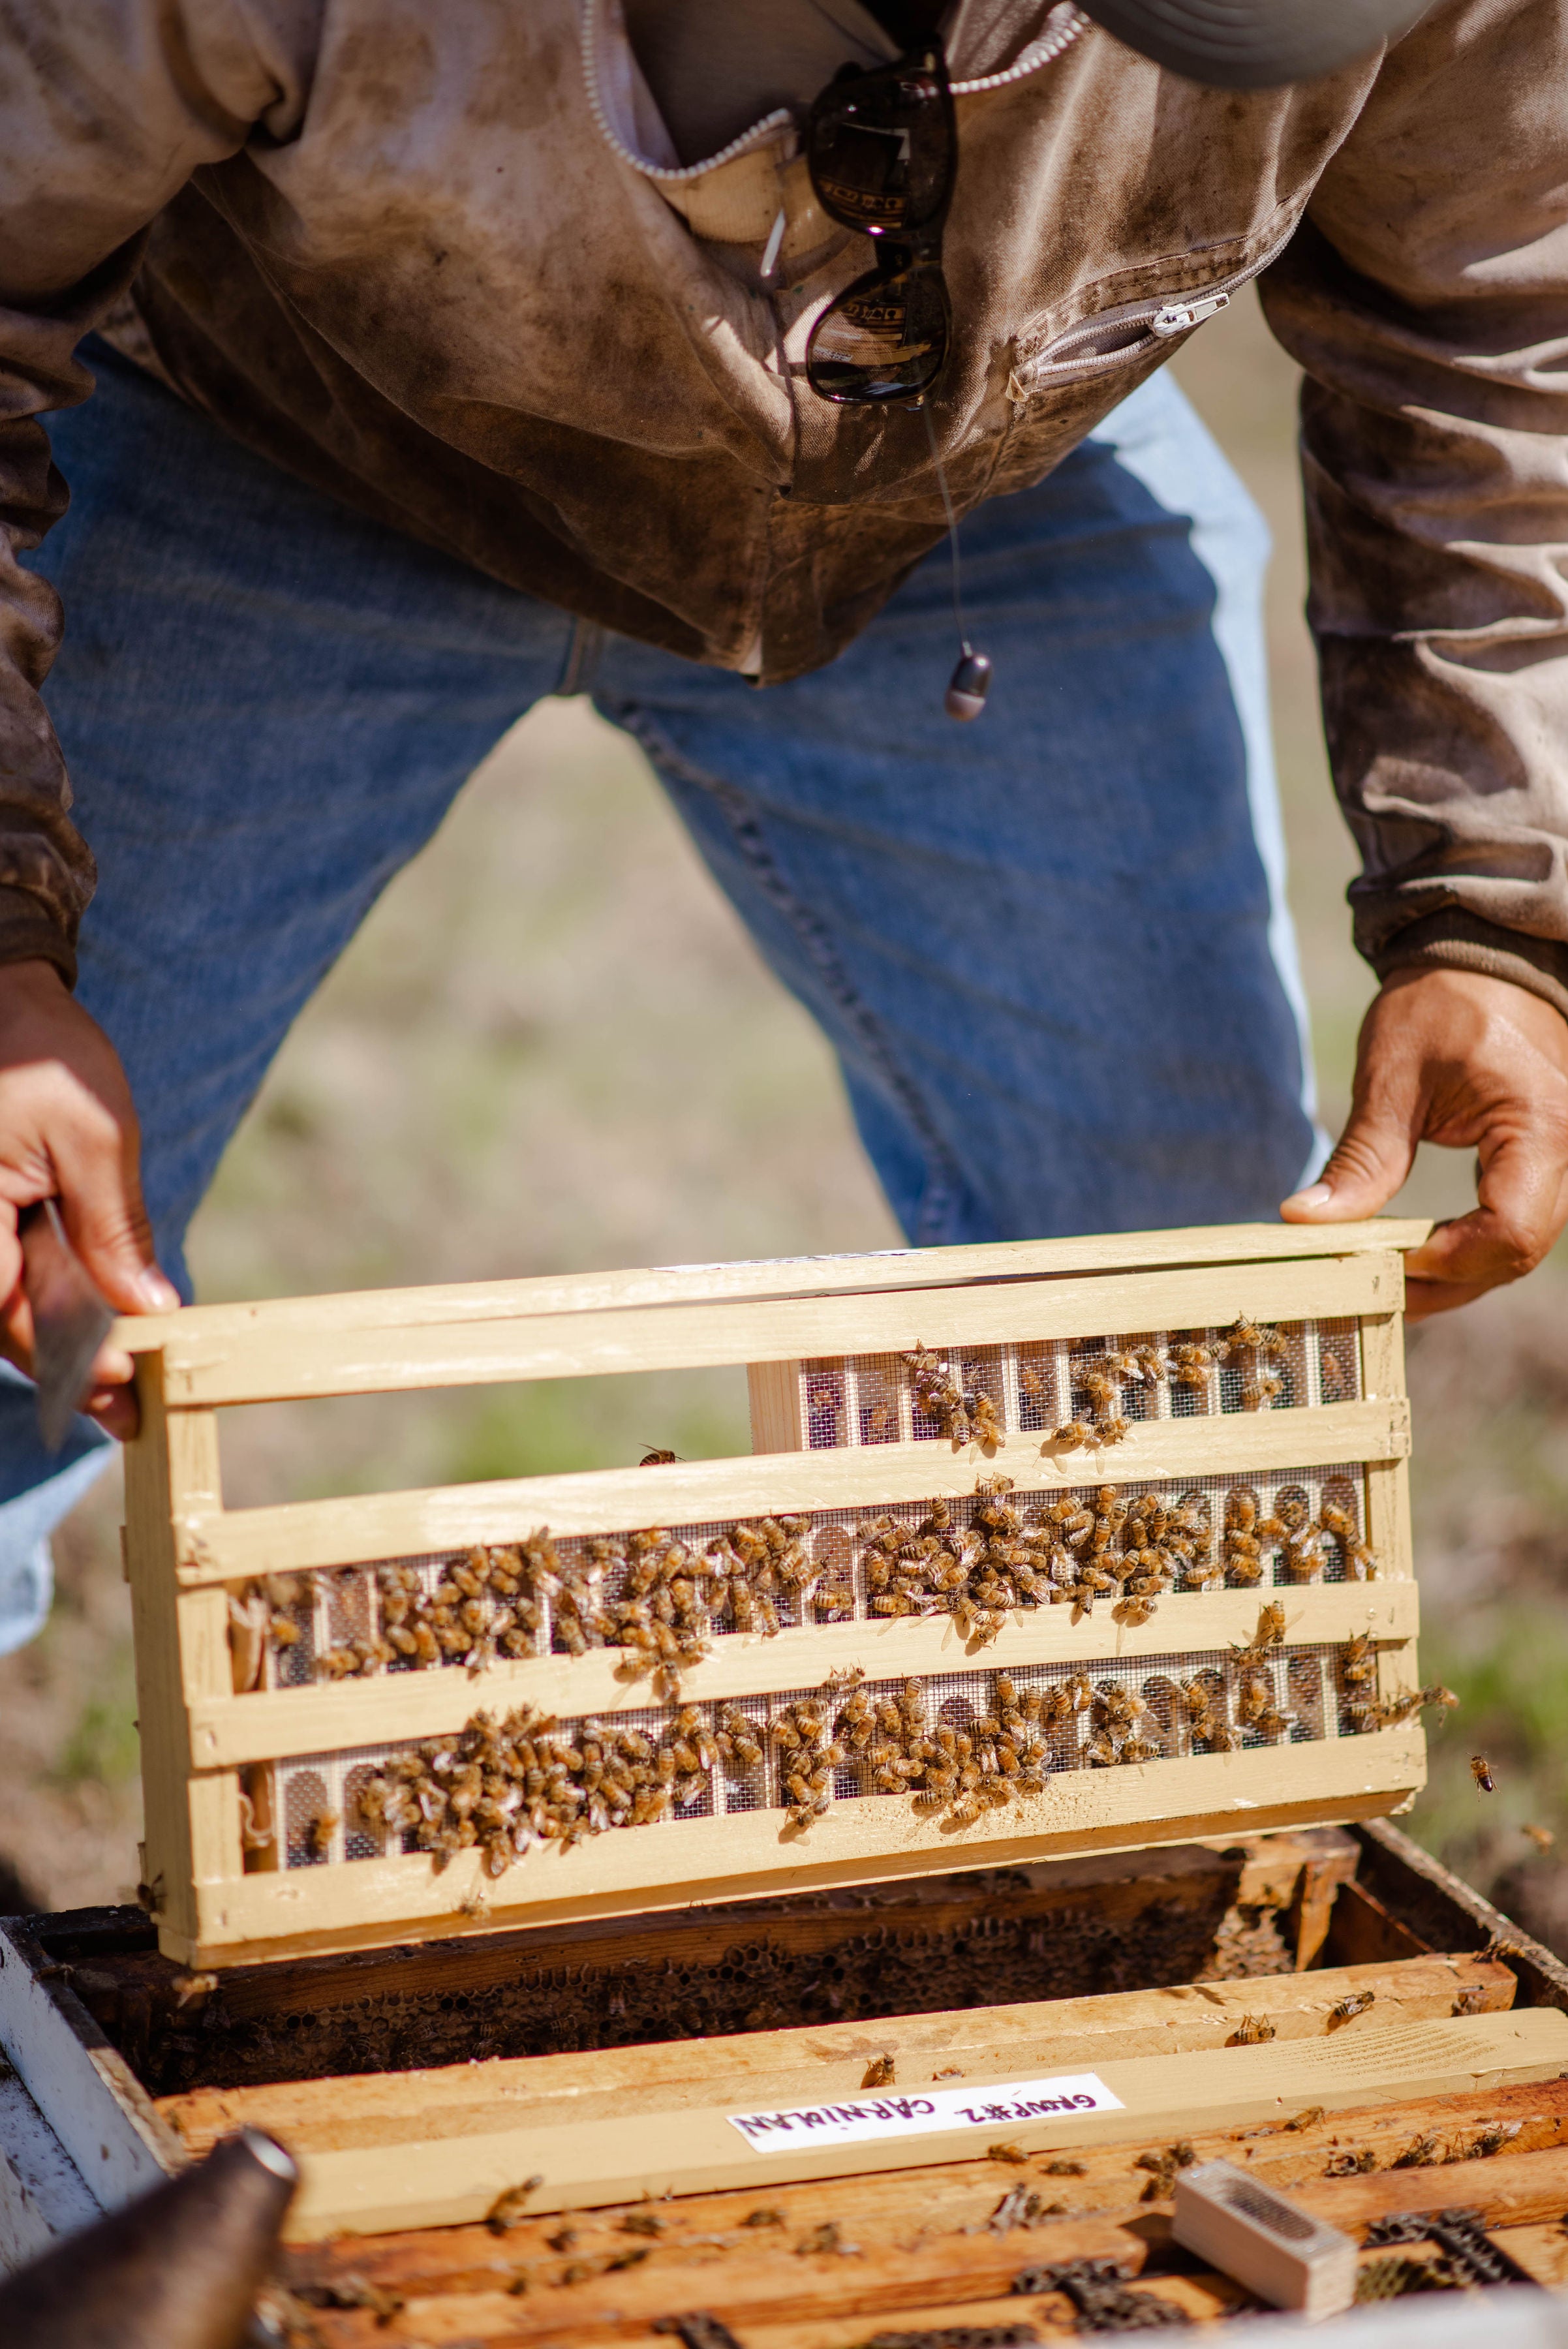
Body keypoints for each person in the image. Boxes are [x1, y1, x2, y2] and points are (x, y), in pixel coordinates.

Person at [1, 0, 1565, 1650]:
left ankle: (1119, 1861)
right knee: (24, 1243)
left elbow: (1494, 322)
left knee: (1176, 1312)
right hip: (273, 427)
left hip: (961, 493)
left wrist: (1493, 907)